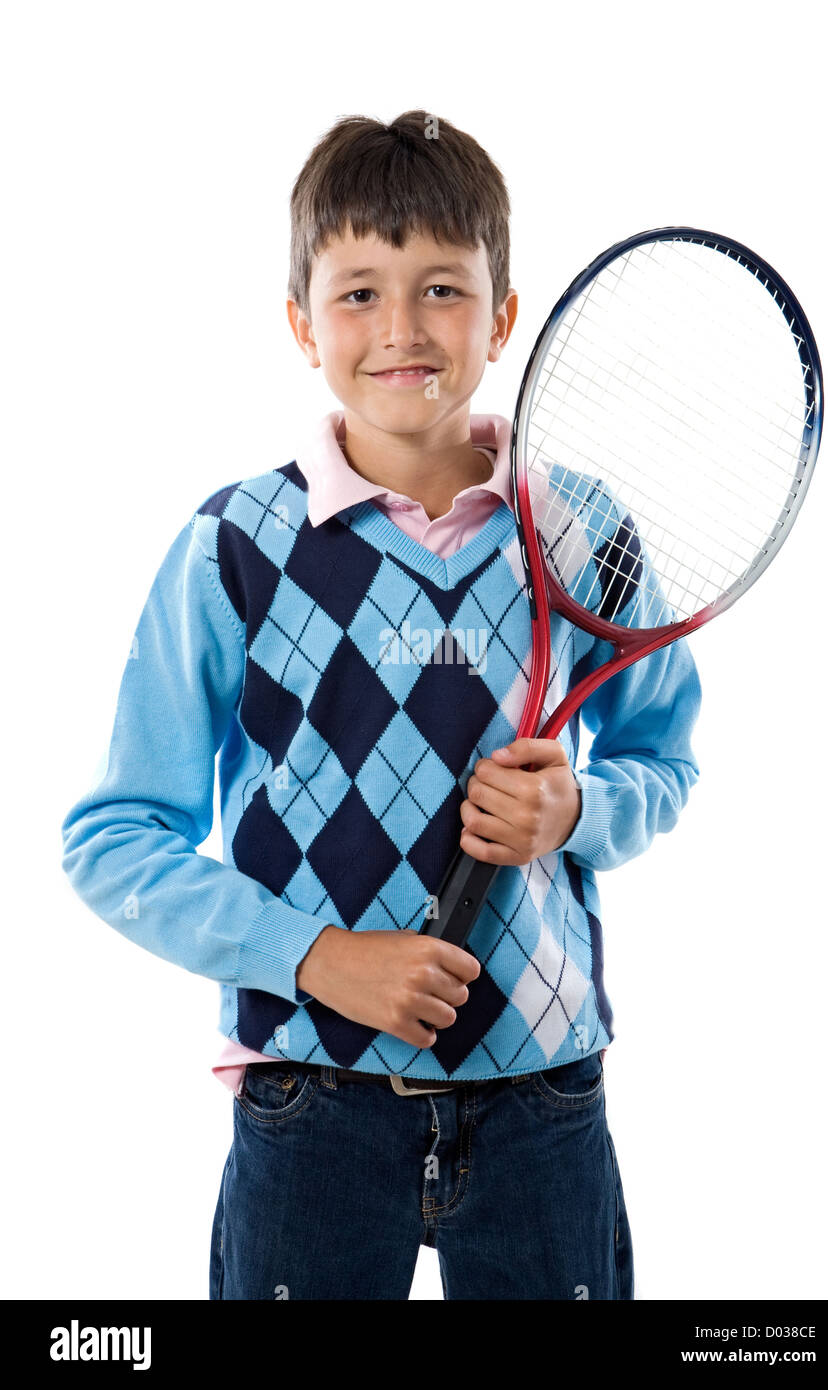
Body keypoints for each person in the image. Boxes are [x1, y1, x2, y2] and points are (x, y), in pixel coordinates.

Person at [60, 110, 701, 1301]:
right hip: (311, 1106)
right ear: (301, 323)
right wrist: (316, 957)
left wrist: (575, 813)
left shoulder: (581, 531)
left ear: (503, 315)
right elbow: (111, 841)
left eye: (442, 288)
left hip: (542, 1099)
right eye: (357, 292)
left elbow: (660, 759)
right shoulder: (234, 548)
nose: (400, 329)